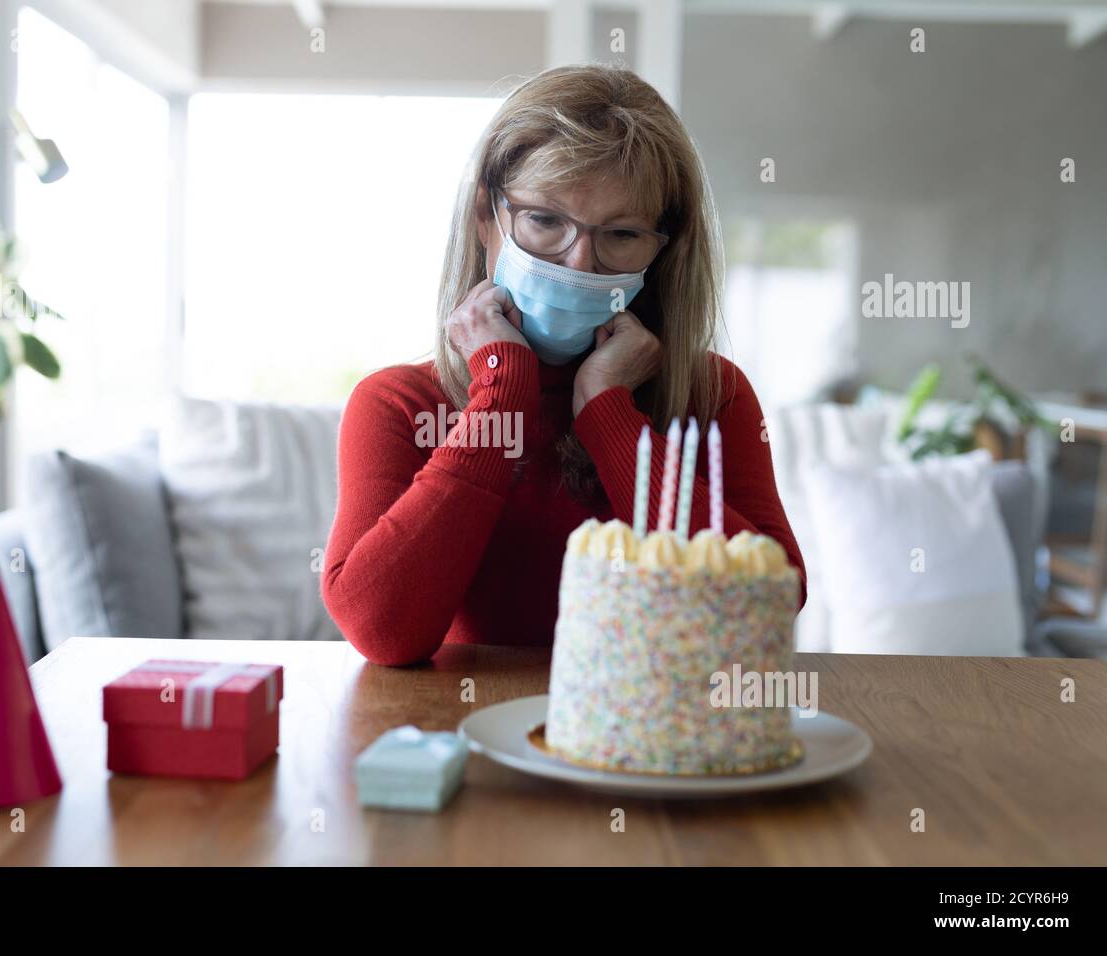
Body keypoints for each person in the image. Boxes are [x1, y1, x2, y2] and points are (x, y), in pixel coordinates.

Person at [323, 65, 804, 666]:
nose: (578, 263)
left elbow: (766, 605)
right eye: (546, 220)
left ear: (663, 248)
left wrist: (610, 414)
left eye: (621, 233)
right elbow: (382, 629)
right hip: (465, 741)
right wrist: (501, 394)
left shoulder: (711, 395)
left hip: (649, 747)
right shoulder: (398, 402)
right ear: (484, 216)